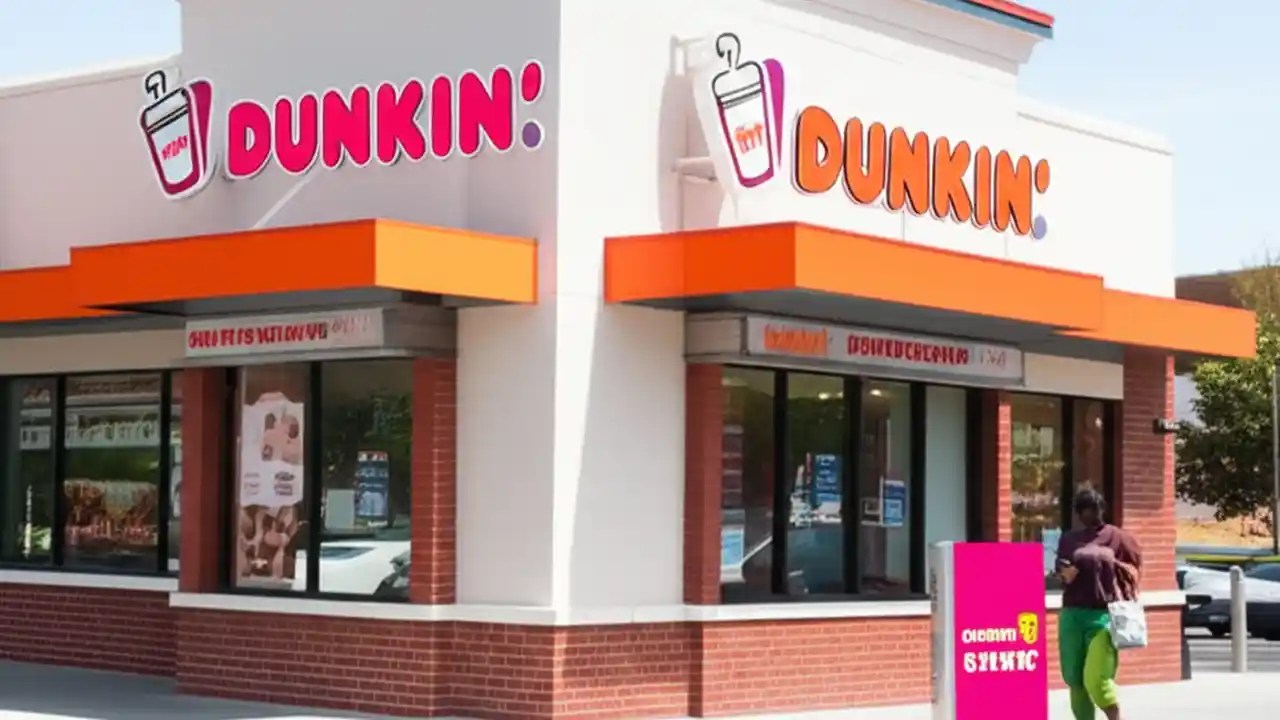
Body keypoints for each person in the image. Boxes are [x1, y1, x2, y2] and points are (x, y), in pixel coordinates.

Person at [1055, 489, 1142, 720]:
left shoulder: (1117, 537)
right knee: (1074, 678)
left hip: (1104, 615)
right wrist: (1065, 573)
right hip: (1072, 613)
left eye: (1097, 509)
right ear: (1079, 513)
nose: (1094, 514)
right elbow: (1060, 570)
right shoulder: (1069, 539)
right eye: (1088, 510)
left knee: (1096, 679)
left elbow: (1135, 567)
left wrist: (1121, 575)